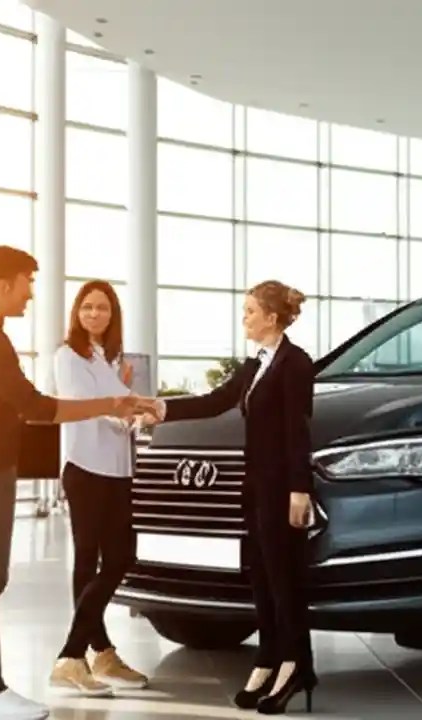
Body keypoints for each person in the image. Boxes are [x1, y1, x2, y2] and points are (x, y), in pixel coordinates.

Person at [0, 246, 155, 719]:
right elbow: (38, 408)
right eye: (27, 283)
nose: (30, 294)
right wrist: (110, 404)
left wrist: (113, 401)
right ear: (5, 284)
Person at [147, 280, 318, 716]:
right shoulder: (255, 365)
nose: (244, 318)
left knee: (284, 580)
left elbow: (299, 431)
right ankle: (269, 657)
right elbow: (214, 401)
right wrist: (162, 409)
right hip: (255, 489)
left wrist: (300, 490)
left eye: (249, 311)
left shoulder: (296, 364)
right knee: (261, 579)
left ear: (271, 318)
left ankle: (296, 663)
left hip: (282, 489)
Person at [49, 280, 149, 696]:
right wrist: (127, 412)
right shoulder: (68, 356)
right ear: (77, 312)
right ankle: (73, 657)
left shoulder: (106, 360)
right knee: (89, 560)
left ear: (112, 315)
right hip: (86, 469)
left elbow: (125, 402)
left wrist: (144, 408)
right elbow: (84, 405)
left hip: (116, 471)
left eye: (102, 308)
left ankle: (100, 653)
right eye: (87, 307)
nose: (94, 314)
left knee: (122, 556)